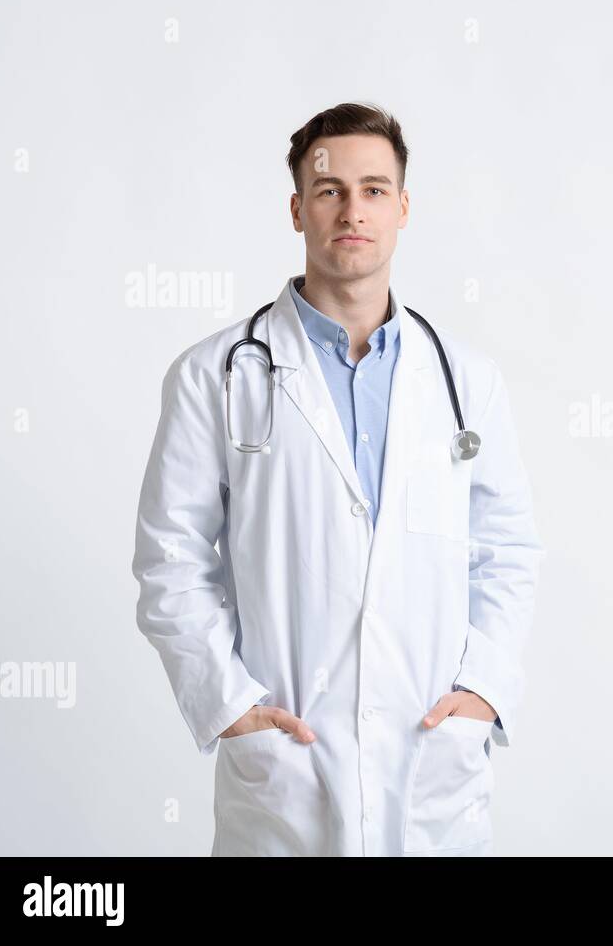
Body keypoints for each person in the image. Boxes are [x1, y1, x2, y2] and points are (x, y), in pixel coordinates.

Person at [131, 102, 545, 856]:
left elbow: (507, 552)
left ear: (403, 208)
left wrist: (483, 691)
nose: (352, 210)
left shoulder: (466, 382)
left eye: (374, 189)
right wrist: (230, 706)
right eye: (329, 191)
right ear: (298, 209)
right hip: (287, 770)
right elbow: (170, 559)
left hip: (431, 768)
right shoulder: (213, 377)